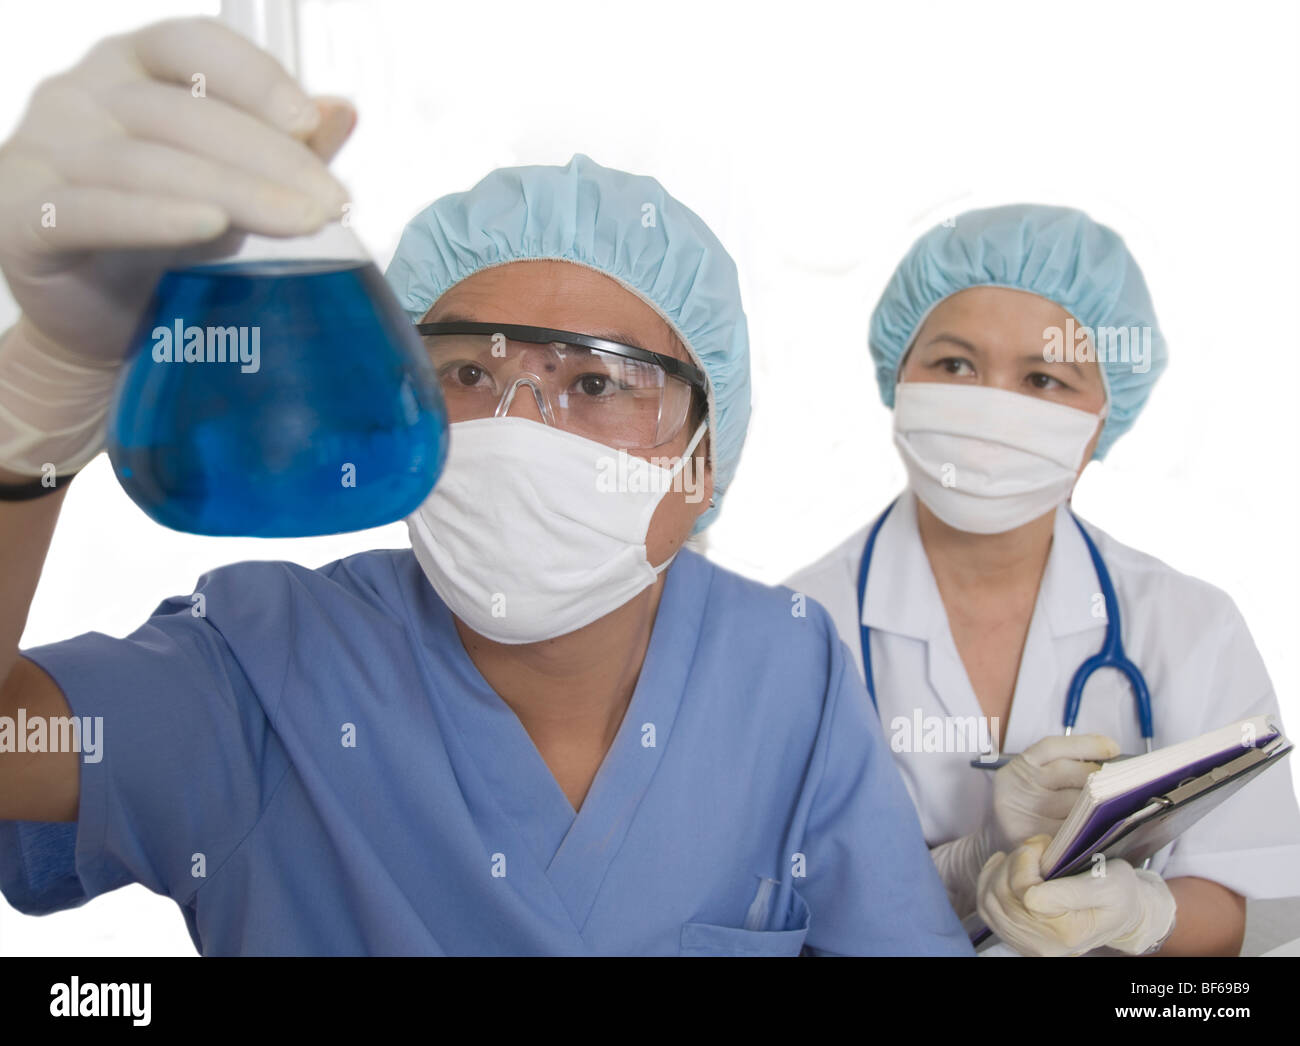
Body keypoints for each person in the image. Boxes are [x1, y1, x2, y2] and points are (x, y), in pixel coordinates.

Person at [0, 18, 972, 956]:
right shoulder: (263, 665)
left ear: (701, 463)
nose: (518, 424)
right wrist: (31, 410)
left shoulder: (786, 670)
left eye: (594, 383)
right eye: (467, 373)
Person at [788, 204, 1300, 956]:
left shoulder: (1190, 628)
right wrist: (964, 873)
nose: (995, 404)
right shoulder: (793, 630)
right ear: (899, 375)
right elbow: (758, 902)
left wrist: (1141, 917)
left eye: (1044, 378)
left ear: (1102, 416)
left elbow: (1254, 902)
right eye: (956, 365)